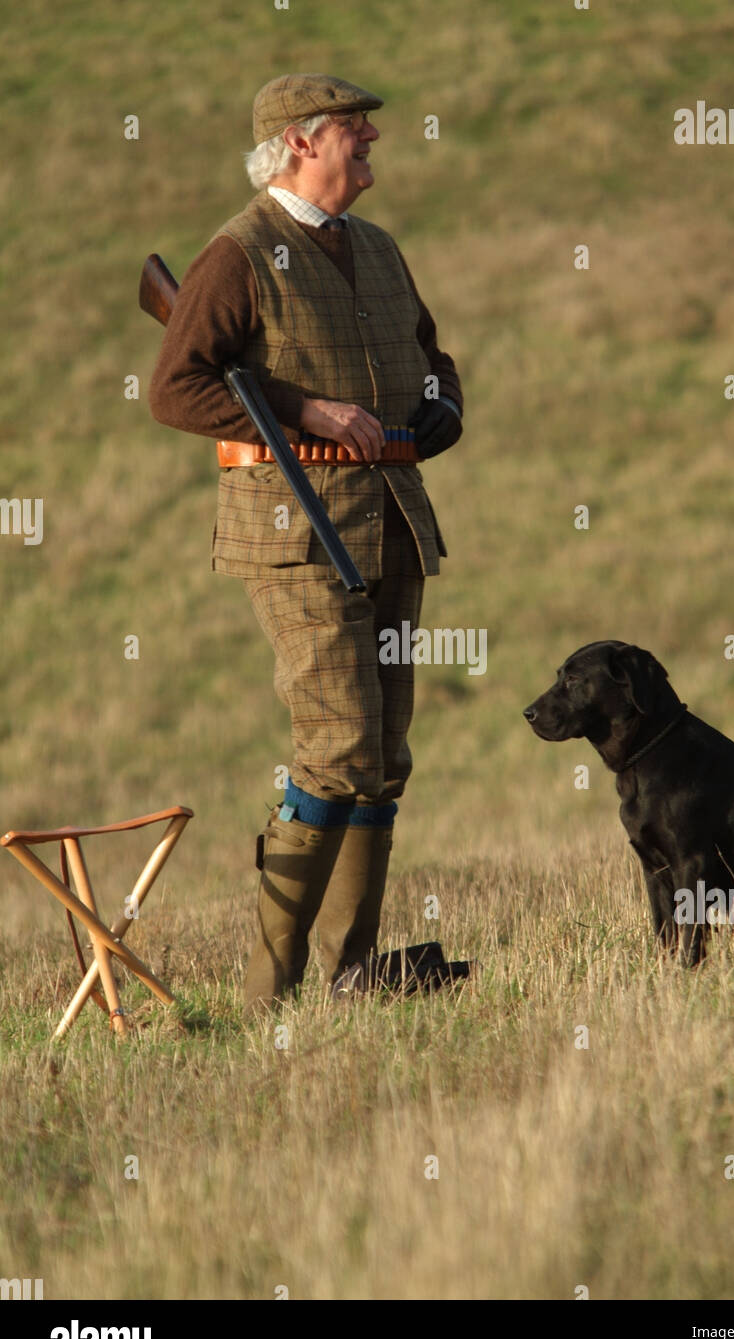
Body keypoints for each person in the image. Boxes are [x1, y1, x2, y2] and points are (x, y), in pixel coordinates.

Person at [149, 73, 463, 1010]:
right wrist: (303, 407)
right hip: (293, 534)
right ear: (298, 143)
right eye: (354, 133)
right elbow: (178, 387)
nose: (371, 144)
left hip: (394, 523)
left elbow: (429, 351)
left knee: (384, 753)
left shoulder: (377, 247)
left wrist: (444, 400)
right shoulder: (238, 255)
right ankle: (266, 994)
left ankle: (353, 977)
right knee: (335, 745)